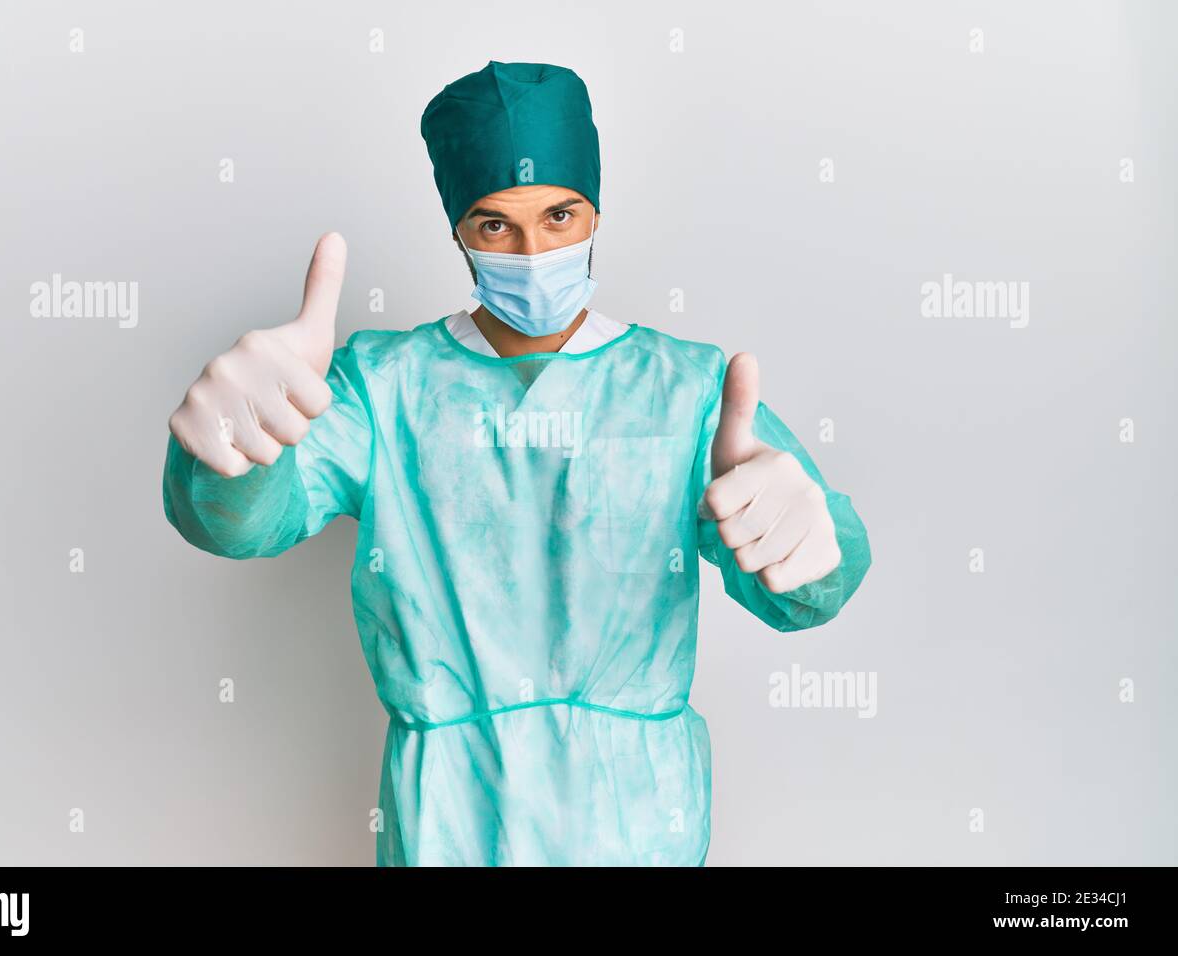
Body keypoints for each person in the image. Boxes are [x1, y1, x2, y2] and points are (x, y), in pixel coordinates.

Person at [163, 61, 871, 866]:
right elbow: (244, 526)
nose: (534, 251)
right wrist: (232, 454)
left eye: (561, 216)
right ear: (459, 232)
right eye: (496, 225)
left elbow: (808, 589)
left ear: (596, 213)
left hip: (636, 823)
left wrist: (810, 547)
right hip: (450, 821)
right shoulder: (384, 387)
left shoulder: (689, 390)